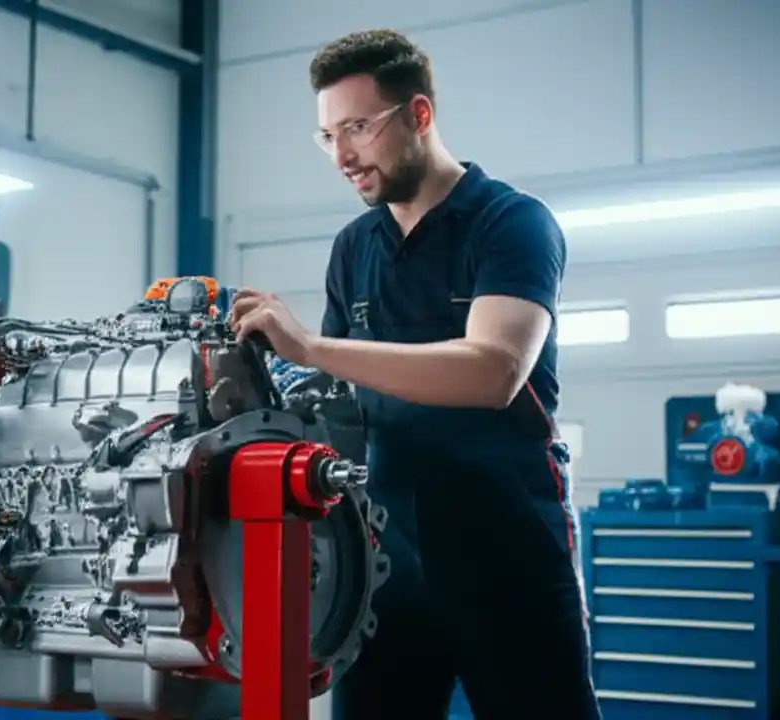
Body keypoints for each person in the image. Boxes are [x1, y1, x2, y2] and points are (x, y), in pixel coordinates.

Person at [228, 29, 602, 719]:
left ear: (419, 115)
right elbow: (337, 405)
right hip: (382, 562)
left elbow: (494, 371)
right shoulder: (355, 247)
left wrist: (310, 346)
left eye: (358, 128)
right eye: (326, 136)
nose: (341, 155)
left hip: (509, 550)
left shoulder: (512, 224)